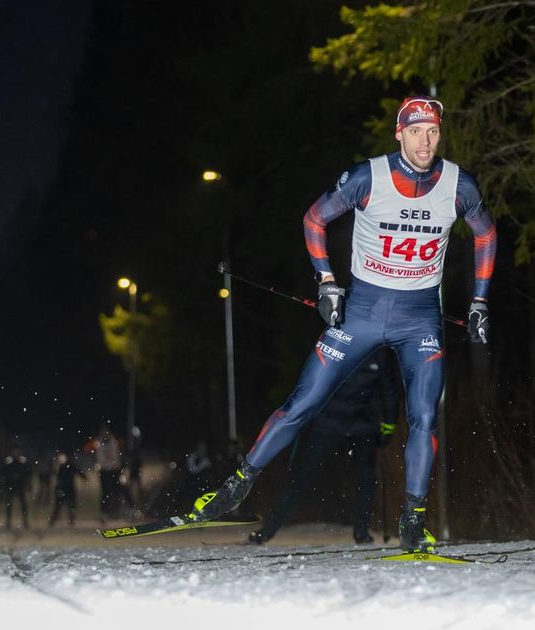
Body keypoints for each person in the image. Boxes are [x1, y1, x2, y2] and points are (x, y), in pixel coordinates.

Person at [189, 96, 496, 554]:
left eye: (432, 131)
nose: (425, 141)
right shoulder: (366, 177)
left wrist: (479, 302)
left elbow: (486, 235)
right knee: (302, 403)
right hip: (362, 314)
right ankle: (237, 485)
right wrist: (327, 281)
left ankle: (413, 520)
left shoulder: (458, 185)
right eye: (415, 131)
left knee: (425, 417)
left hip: (419, 320)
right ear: (399, 133)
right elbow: (314, 219)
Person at [248, 347, 401, 545]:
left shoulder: (379, 353)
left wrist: (388, 426)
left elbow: (389, 391)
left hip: (363, 423)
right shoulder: (336, 344)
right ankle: (266, 531)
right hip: (328, 422)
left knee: (365, 478)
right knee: (301, 476)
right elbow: (313, 382)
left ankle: (362, 533)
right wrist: (302, 415)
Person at [48, 450, 87, 528]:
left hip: (69, 488)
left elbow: (79, 472)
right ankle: (52, 521)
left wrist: (84, 478)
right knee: (58, 506)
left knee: (71, 505)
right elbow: (53, 474)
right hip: (61, 488)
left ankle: (71, 521)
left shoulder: (71, 465)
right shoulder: (58, 466)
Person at [0, 445, 31, 530]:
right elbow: (3, 472)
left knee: (23, 505)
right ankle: (8, 522)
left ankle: (25, 522)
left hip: (20, 485)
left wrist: (25, 480)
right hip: (11, 485)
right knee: (9, 505)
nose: (16, 453)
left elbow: (28, 472)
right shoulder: (8, 461)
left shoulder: (22, 461)